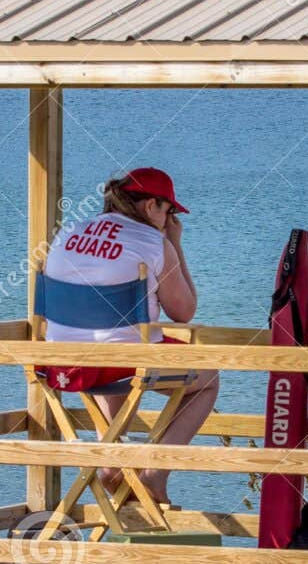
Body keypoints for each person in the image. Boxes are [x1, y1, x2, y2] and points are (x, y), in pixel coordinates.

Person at [40, 166, 219, 507]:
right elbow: (184, 311)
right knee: (207, 378)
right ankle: (154, 472)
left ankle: (110, 464)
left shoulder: (66, 233)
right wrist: (174, 245)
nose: (169, 221)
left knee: (114, 349)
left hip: (60, 365)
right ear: (151, 206)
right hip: (120, 364)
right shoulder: (153, 242)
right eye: (168, 212)